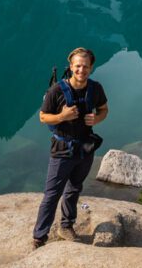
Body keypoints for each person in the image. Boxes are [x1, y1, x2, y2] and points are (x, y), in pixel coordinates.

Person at [32, 47, 108, 247]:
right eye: (77, 66)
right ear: (71, 67)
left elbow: (104, 109)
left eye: (85, 66)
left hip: (85, 148)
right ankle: (39, 236)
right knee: (52, 194)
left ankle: (66, 226)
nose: (81, 70)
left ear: (91, 68)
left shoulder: (96, 88)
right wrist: (61, 117)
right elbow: (42, 117)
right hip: (62, 149)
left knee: (74, 189)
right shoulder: (56, 90)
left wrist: (97, 118)